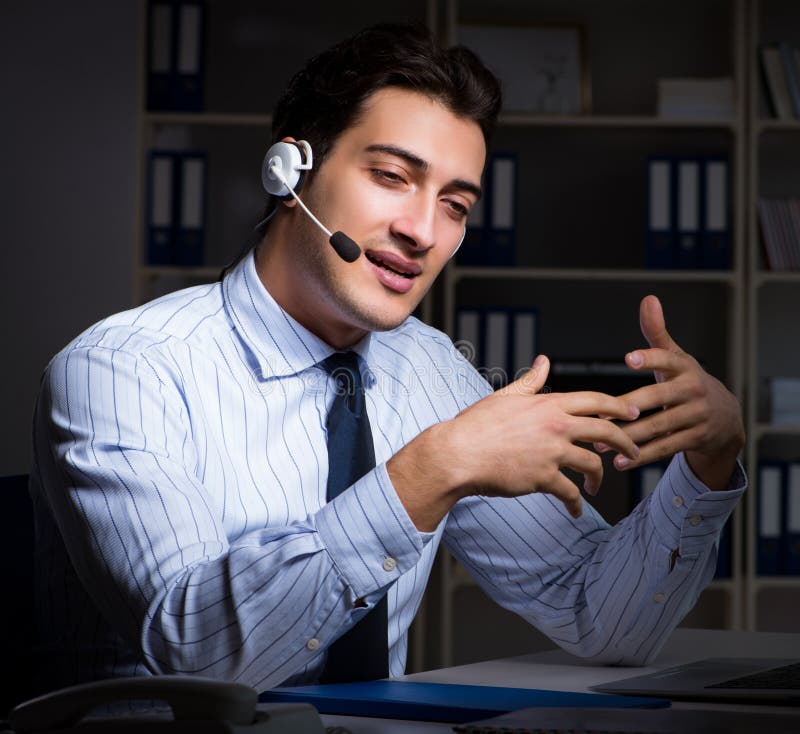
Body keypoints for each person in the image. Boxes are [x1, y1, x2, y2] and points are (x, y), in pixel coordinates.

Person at [30, 23, 745, 695]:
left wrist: (707, 467)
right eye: (392, 176)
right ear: (289, 171)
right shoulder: (119, 370)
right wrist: (427, 474)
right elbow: (199, 656)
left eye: (456, 205)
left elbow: (601, 616)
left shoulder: (429, 369)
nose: (422, 231)